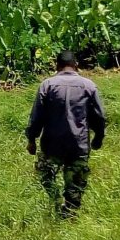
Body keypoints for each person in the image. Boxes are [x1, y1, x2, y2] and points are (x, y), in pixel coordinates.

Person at [26, 51, 106, 218]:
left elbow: (37, 116)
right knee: (75, 187)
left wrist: (31, 139)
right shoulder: (88, 86)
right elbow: (99, 116)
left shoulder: (47, 85)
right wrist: (98, 137)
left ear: (57, 66)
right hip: (78, 144)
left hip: (51, 145)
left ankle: (53, 203)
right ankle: (69, 215)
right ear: (76, 65)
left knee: (45, 177)